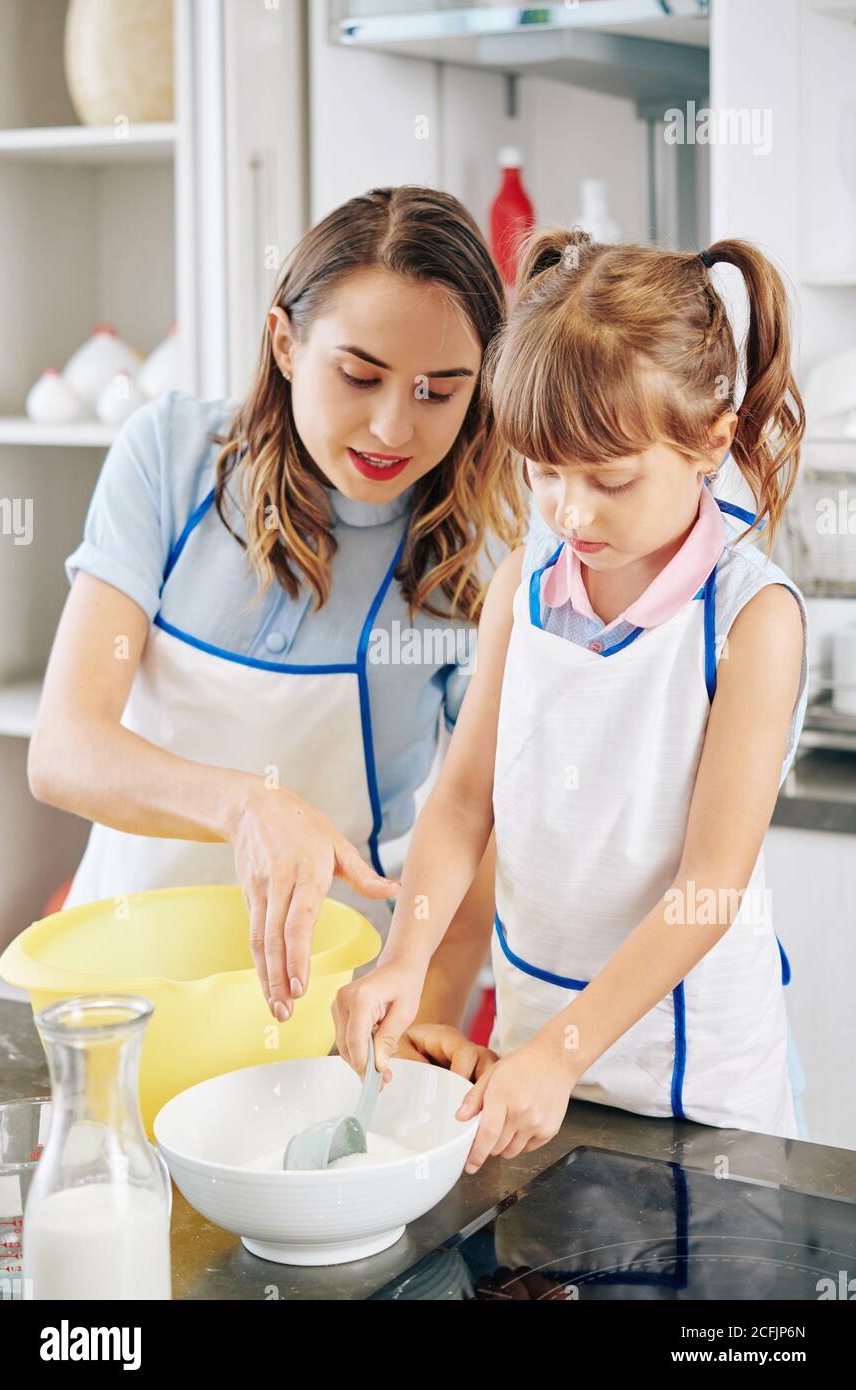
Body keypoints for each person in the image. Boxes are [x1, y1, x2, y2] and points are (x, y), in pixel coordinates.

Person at [333, 228, 811, 1168]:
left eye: (611, 479)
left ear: (711, 442)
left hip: (695, 1094)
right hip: (535, 1062)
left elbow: (708, 887)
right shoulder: (527, 581)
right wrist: (404, 959)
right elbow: (464, 802)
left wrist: (558, 1054)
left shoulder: (752, 622)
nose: (572, 512)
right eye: (544, 471)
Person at [27, 186, 525, 1030]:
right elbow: (64, 750)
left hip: (326, 1015)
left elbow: (478, 837)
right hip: (129, 990)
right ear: (286, 342)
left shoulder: (478, 554)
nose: (393, 428)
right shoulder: (171, 458)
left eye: (440, 392)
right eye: (360, 375)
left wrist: (422, 1031)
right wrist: (244, 803)